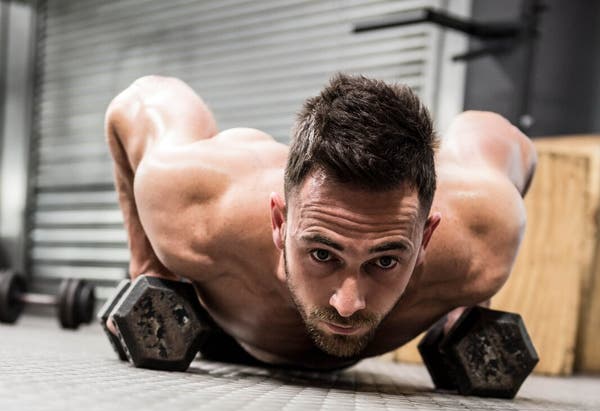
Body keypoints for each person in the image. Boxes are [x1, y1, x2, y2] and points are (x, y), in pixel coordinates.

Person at [104, 73, 536, 370]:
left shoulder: (484, 237)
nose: (347, 305)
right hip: (217, 327)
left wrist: (471, 301)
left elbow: (505, 139)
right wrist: (150, 269)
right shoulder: (199, 205)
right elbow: (140, 99)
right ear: (278, 221)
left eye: (384, 261)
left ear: (426, 238)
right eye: (322, 253)